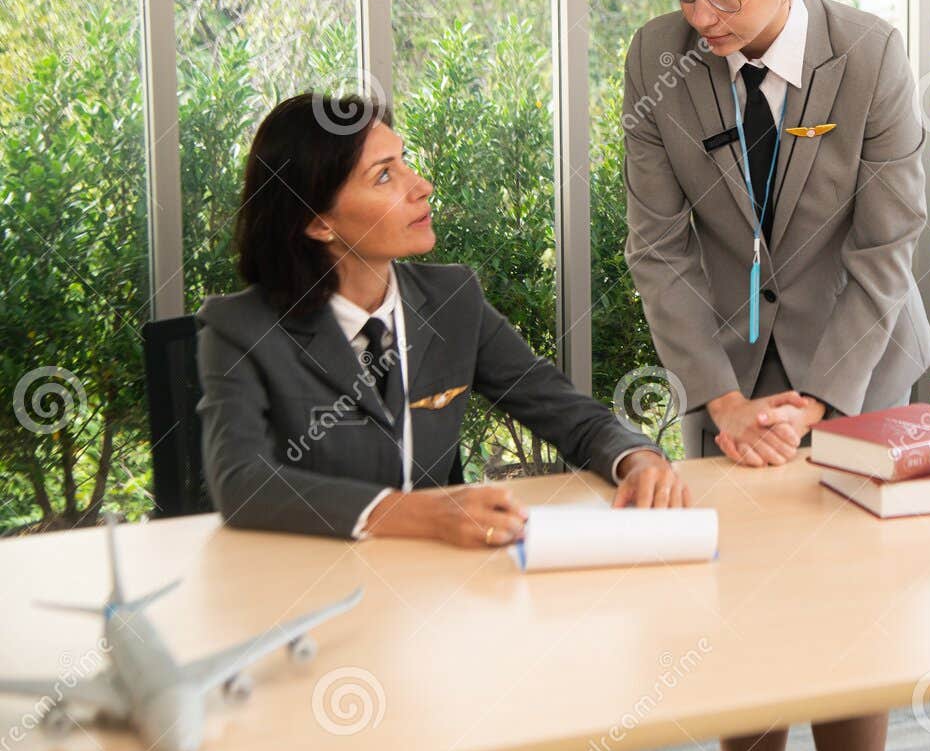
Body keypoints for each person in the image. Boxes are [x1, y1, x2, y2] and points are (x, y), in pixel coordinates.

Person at [622, 0, 930, 751]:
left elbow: (886, 246)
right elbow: (659, 246)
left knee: (847, 616)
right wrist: (718, 397)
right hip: (725, 373)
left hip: (859, 359)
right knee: (735, 621)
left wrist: (826, 401)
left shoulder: (869, 55)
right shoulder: (656, 56)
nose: (700, 17)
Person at [196, 92, 688, 547]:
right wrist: (421, 515)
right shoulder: (241, 329)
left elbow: (569, 414)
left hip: (436, 590)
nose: (421, 187)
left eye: (404, 162)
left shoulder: (452, 299)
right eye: (384, 175)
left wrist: (637, 459)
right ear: (317, 221)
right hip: (309, 590)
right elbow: (243, 482)